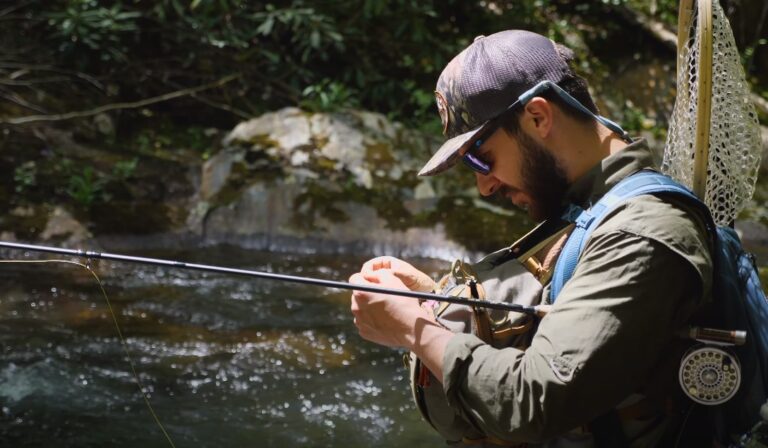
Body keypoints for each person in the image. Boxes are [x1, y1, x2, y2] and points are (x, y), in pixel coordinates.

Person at [349, 30, 712, 446]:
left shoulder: (643, 231)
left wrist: (413, 330)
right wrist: (434, 299)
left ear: (538, 117)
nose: (483, 187)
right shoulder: (593, 208)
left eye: (480, 158)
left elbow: (537, 401)